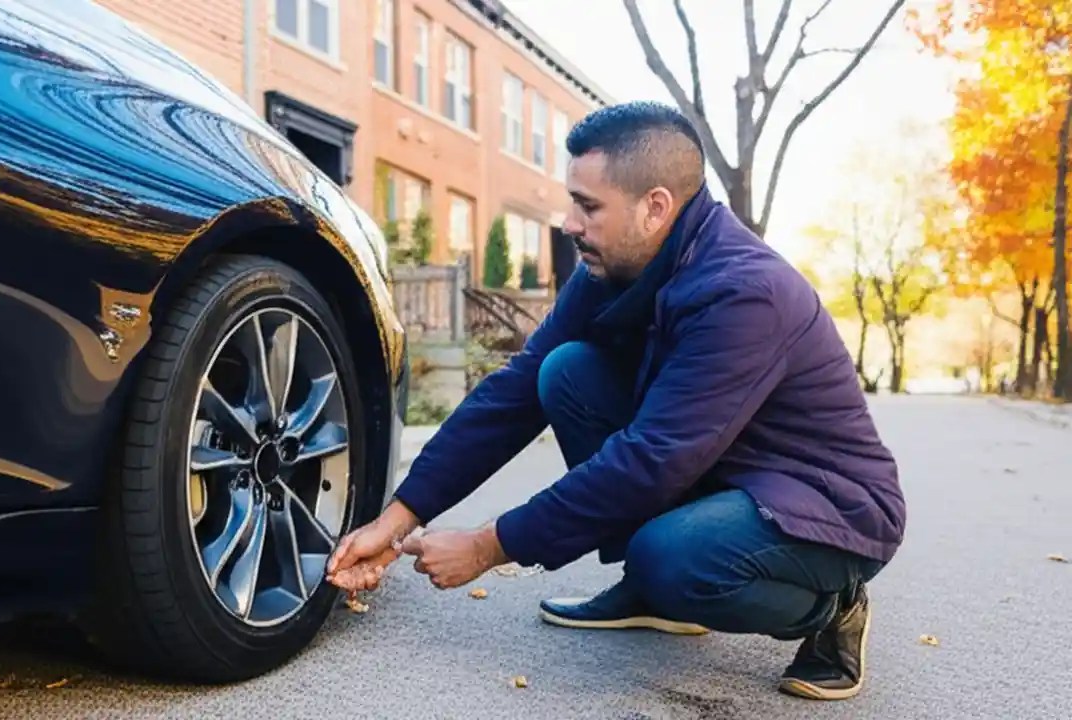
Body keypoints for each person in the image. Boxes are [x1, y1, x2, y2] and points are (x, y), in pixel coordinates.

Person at [326, 101, 906, 702]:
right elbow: (513, 392)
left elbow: (649, 462)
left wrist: (485, 546)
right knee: (563, 372)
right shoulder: (614, 265)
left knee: (673, 557)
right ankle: (652, 591)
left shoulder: (744, 294)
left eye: (588, 206)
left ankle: (833, 606)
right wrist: (395, 522)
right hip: (720, 467)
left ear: (655, 207)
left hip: (823, 507)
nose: (569, 223)